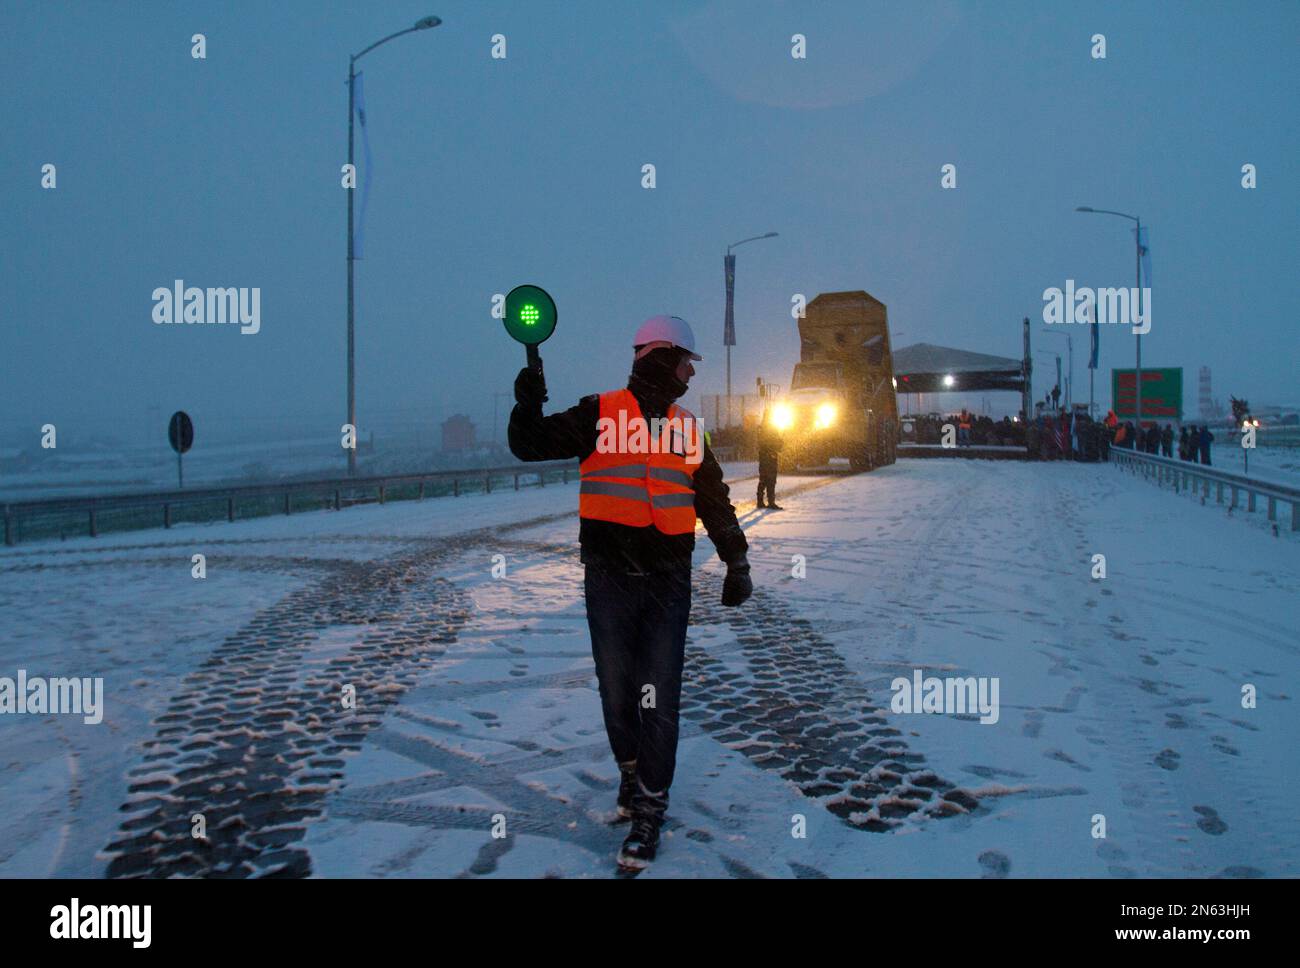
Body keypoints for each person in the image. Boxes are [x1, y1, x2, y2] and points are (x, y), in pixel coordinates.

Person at [508, 314, 751, 870]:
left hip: (668, 581)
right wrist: (527, 402)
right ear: (664, 356)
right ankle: (629, 774)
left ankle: (649, 809)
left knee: (658, 693)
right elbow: (528, 444)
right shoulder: (599, 412)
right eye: (687, 359)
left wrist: (736, 558)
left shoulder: (690, 429)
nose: (691, 370)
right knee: (618, 691)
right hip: (610, 579)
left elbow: (712, 498)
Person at [756, 408, 784, 509]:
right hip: (770, 457)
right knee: (771, 480)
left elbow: (763, 443)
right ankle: (771, 502)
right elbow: (775, 442)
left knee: (763, 479)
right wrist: (778, 444)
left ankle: (760, 501)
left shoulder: (762, 428)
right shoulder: (771, 428)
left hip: (764, 457)